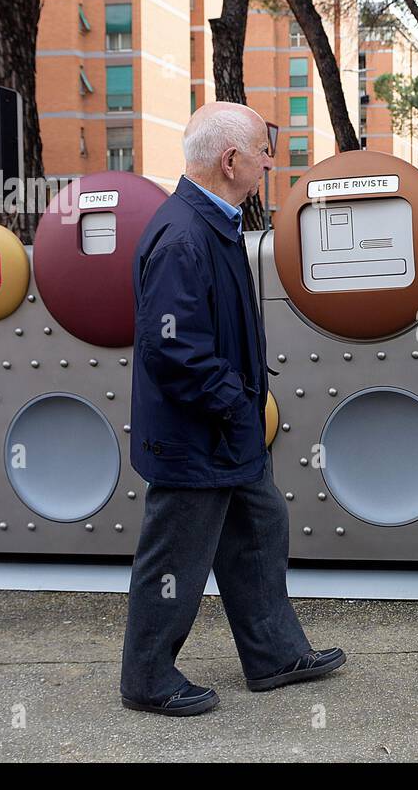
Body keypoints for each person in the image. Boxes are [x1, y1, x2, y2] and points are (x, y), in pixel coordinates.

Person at [120, 101, 344, 717]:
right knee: (175, 558)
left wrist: (239, 410)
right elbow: (172, 348)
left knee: (258, 531)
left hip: (226, 430)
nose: (268, 163)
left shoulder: (207, 222)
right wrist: (233, 404)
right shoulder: (184, 235)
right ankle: (147, 678)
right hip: (198, 434)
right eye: (262, 152)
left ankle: (273, 654)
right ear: (230, 160)